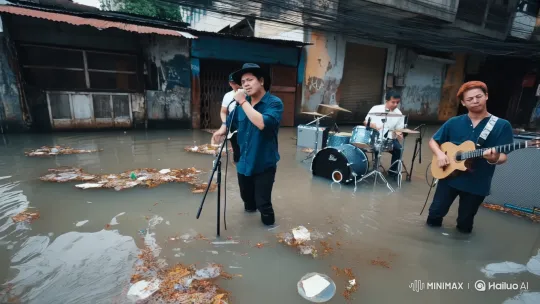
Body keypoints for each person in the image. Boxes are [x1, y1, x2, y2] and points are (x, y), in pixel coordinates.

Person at [426, 81, 514, 234]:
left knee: (465, 223)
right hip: (449, 177)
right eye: (470, 99)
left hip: (477, 182)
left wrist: (493, 159)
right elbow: (433, 140)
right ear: (463, 103)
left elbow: (503, 157)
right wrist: (440, 154)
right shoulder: (454, 122)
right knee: (434, 214)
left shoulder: (502, 125)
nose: (475, 101)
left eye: (478, 96)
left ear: (486, 96)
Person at [212, 63, 283, 226]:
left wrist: (243, 101)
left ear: (262, 81)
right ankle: (249, 227)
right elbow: (230, 122)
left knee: (263, 204)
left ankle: (269, 233)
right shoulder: (238, 107)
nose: (245, 84)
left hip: (264, 163)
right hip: (243, 162)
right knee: (247, 201)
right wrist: (221, 130)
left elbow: (262, 123)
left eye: (250, 80)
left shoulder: (274, 103)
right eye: (243, 82)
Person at [364, 90, 405, 179]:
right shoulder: (375, 108)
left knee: (399, 149)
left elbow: (399, 129)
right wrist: (371, 125)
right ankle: (362, 168)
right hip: (374, 137)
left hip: (389, 139)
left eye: (397, 102)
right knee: (361, 147)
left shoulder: (399, 114)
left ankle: (393, 172)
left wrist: (399, 134)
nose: (395, 104)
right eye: (393, 102)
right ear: (386, 101)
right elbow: (365, 122)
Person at [221, 73, 241, 163]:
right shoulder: (228, 96)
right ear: (230, 83)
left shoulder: (250, 94)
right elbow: (223, 112)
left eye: (238, 82)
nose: (236, 85)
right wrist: (224, 124)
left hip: (247, 127)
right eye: (233, 82)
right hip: (234, 128)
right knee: (236, 152)